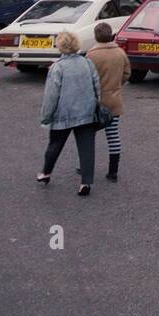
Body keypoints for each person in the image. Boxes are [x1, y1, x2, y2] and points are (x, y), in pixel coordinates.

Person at [37, 31, 102, 196]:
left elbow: (51, 96)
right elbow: (97, 88)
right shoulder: (88, 63)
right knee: (87, 148)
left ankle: (46, 173)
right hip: (86, 112)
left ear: (60, 46)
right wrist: (96, 105)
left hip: (63, 115)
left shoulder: (57, 67)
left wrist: (46, 117)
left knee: (55, 145)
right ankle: (85, 183)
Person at [85, 22, 129, 181]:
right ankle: (113, 172)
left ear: (96, 36)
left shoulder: (91, 55)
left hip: (94, 103)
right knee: (113, 135)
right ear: (111, 35)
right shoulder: (120, 53)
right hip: (114, 101)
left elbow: (86, 78)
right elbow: (126, 74)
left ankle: (84, 165)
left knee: (88, 135)